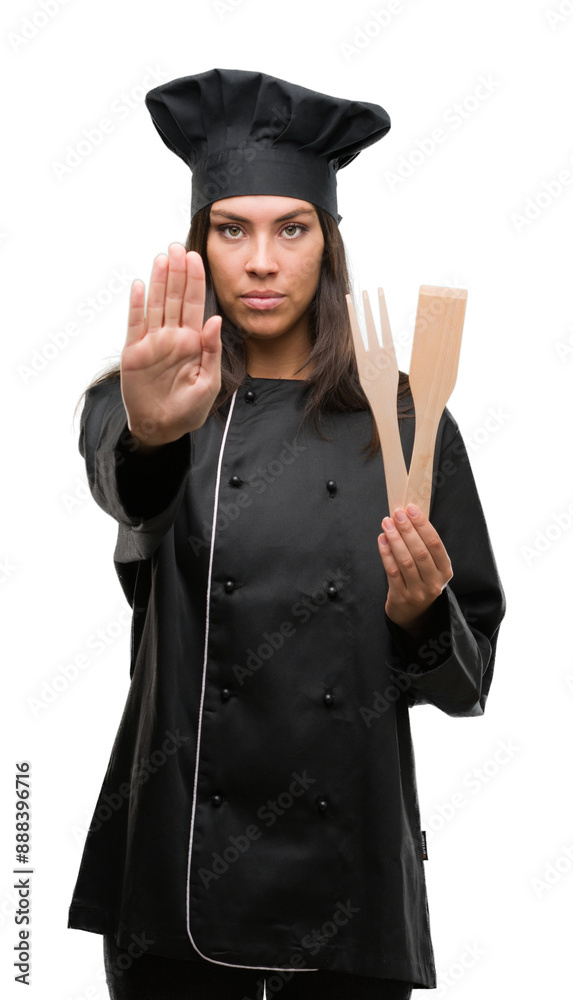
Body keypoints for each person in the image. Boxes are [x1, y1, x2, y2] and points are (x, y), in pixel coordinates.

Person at [68, 69, 506, 999]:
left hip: (348, 872)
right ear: (202, 241)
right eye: (233, 229)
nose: (261, 261)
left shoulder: (405, 417)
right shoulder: (146, 401)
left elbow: (467, 682)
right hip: (178, 853)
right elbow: (125, 486)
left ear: (328, 243)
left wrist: (422, 613)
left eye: (291, 229)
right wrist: (151, 429)